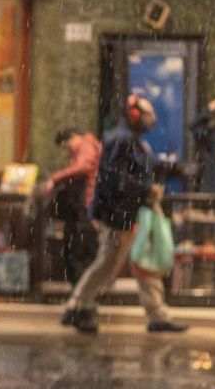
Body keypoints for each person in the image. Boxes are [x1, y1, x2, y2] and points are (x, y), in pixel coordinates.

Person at [60, 95, 188, 335]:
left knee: (143, 265)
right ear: (135, 115)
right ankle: (79, 306)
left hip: (130, 211)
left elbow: (141, 167)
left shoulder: (130, 140)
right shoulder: (122, 140)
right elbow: (117, 178)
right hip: (118, 215)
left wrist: (169, 169)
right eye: (147, 115)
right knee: (108, 264)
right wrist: (145, 189)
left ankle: (157, 314)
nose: (151, 120)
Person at [44, 127, 102, 285]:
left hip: (85, 206)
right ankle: (83, 287)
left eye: (66, 145)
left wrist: (55, 178)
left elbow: (84, 167)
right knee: (80, 246)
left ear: (74, 137)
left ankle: (83, 288)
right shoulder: (86, 147)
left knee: (81, 247)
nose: (67, 149)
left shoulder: (86, 146)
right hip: (83, 207)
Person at [129, 182, 176, 301]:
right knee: (152, 294)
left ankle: (159, 317)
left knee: (153, 291)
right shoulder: (147, 214)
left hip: (152, 260)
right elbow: (144, 237)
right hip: (148, 261)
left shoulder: (153, 212)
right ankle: (159, 318)